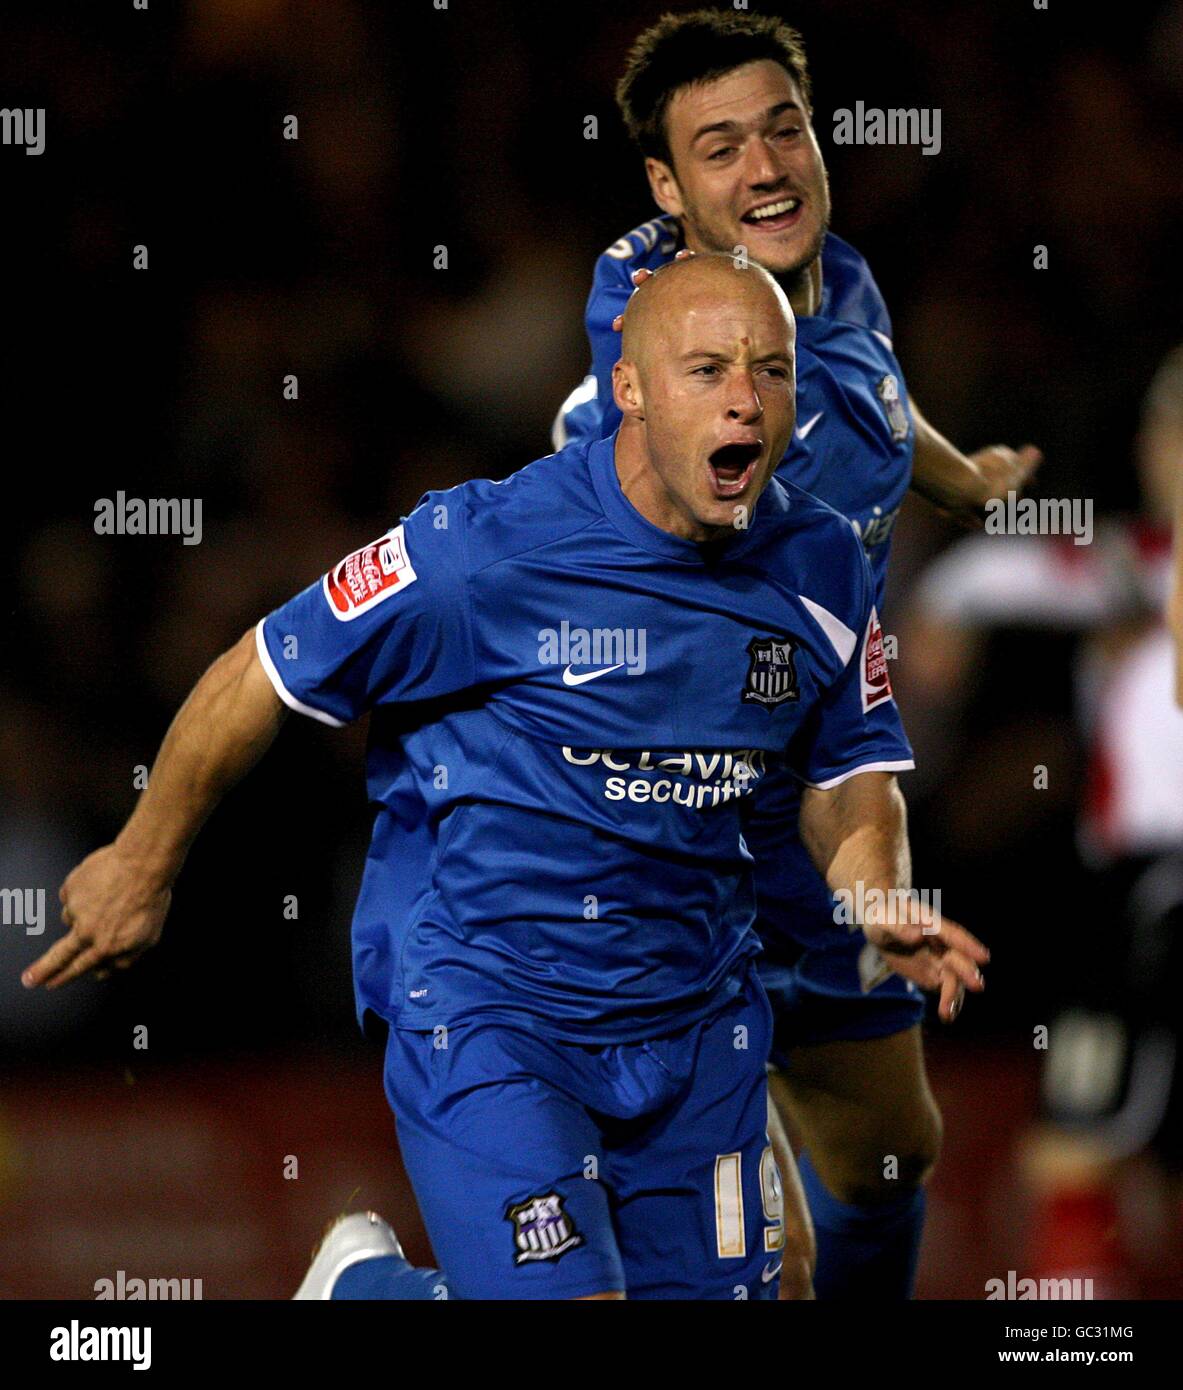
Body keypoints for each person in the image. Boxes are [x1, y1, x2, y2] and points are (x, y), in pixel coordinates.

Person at [24, 256, 986, 1300]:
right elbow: (263, 671)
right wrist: (141, 858)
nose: (746, 399)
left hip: (694, 1017)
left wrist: (880, 893)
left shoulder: (821, 564)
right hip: (492, 1002)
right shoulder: (482, 552)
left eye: (770, 370)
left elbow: (848, 780)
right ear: (629, 387)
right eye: (706, 369)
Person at [554, 8, 1038, 1299]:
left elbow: (879, 396)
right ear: (665, 188)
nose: (764, 166)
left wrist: (959, 478)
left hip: (821, 817)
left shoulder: (836, 285)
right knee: (757, 1274)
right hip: (677, 842)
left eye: (783, 128)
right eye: (717, 148)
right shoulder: (686, 375)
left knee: (891, 1150)